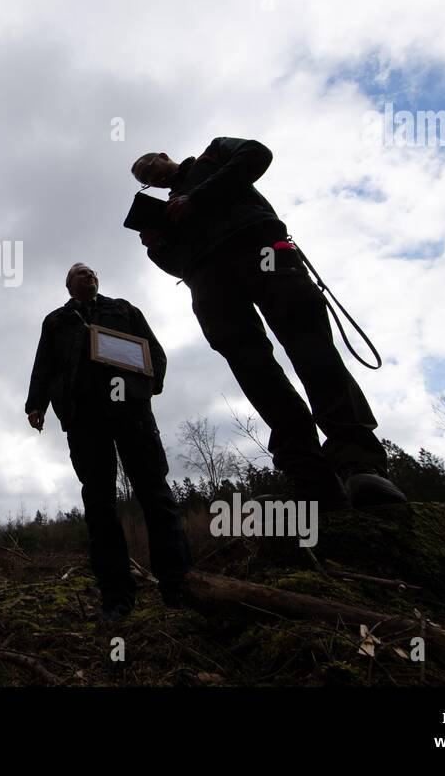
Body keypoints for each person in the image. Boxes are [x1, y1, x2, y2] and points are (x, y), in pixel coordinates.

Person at [131, 138, 406, 509]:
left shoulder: (214, 155)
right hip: (209, 283)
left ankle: (361, 467)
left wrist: (198, 197)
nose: (149, 176)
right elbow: (175, 265)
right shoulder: (167, 213)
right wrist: (157, 245)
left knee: (314, 353)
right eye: (144, 179)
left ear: (164, 155)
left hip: (263, 255)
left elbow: (257, 154)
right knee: (257, 376)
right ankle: (310, 480)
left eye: (149, 166)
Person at [26, 263, 191, 619]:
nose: (90, 275)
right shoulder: (55, 321)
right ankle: (116, 598)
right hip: (83, 415)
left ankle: (177, 585)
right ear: (68, 285)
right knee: (99, 503)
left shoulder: (124, 309)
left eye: (93, 272)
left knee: (154, 492)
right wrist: (35, 403)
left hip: (131, 410)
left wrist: (147, 385)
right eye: (81, 273)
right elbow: (44, 364)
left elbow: (154, 353)